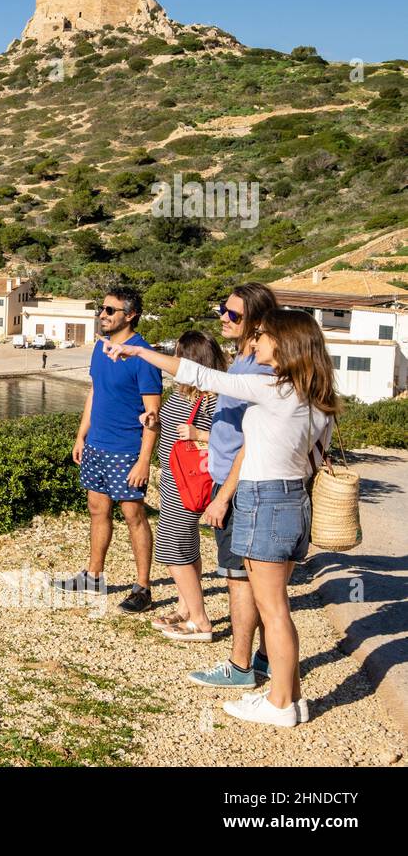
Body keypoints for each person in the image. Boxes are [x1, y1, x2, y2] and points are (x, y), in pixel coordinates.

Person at [104, 308, 338, 727]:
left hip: (265, 499)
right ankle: (288, 695)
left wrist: (139, 354)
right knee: (275, 605)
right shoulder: (316, 397)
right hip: (293, 500)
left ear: (285, 345)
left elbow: (201, 375)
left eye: (263, 336)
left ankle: (282, 703)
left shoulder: (272, 389)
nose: (255, 341)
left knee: (274, 609)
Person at [178, 284, 281, 690]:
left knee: (240, 577)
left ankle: (241, 668)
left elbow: (251, 442)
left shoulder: (258, 366)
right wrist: (205, 440)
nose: (223, 317)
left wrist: (222, 496)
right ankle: (264, 660)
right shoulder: (243, 360)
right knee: (254, 579)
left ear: (256, 320)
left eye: (233, 314)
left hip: (241, 487)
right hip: (235, 481)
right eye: (223, 309)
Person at [54, 285, 164, 612]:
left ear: (130, 316)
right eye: (102, 309)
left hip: (126, 449)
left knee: (133, 515)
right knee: (97, 510)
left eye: (110, 311)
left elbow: (152, 416)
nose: (102, 315)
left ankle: (143, 587)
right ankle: (93, 576)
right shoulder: (100, 348)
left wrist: (145, 460)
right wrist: (81, 435)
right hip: (97, 446)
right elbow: (94, 393)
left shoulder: (143, 357)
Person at [148, 331, 226, 642]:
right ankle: (184, 608)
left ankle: (200, 620)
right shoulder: (184, 392)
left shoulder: (215, 397)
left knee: (171, 548)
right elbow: (170, 426)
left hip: (189, 483)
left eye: (179, 355)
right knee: (187, 546)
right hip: (172, 478)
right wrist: (154, 422)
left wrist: (199, 435)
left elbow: (235, 440)